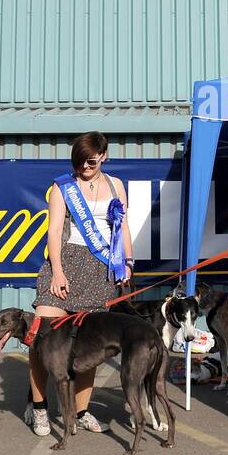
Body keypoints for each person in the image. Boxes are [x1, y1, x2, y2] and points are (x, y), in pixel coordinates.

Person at [29, 132, 133, 436]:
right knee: (42, 338)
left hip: (99, 269)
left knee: (91, 344)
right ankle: (38, 408)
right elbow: (54, 230)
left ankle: (81, 410)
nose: (84, 167)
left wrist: (127, 262)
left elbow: (122, 226)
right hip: (66, 262)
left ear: (103, 156)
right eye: (79, 161)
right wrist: (58, 272)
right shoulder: (63, 186)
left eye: (90, 161)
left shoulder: (116, 185)